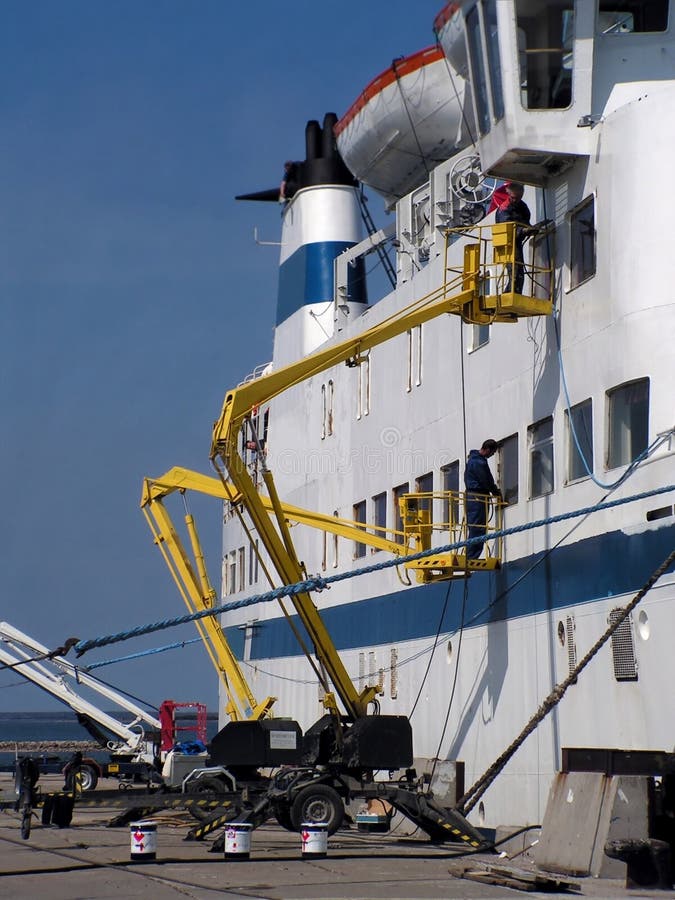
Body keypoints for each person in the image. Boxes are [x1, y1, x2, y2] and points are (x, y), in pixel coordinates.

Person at [464, 439, 501, 560]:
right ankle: (471, 557)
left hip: (472, 497)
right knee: (478, 528)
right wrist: (496, 493)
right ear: (488, 450)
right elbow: (487, 480)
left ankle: (470, 555)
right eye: (493, 452)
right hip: (477, 498)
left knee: (475, 527)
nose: (492, 455)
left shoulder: (472, 460)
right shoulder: (479, 462)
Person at [495, 182, 531, 293]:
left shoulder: (523, 207)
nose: (516, 200)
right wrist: (524, 230)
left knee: (519, 273)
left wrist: (530, 229)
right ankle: (509, 295)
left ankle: (514, 294)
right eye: (513, 197)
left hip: (517, 242)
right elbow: (508, 229)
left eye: (519, 198)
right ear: (509, 194)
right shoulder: (503, 209)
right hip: (506, 244)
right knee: (515, 273)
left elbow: (526, 221)